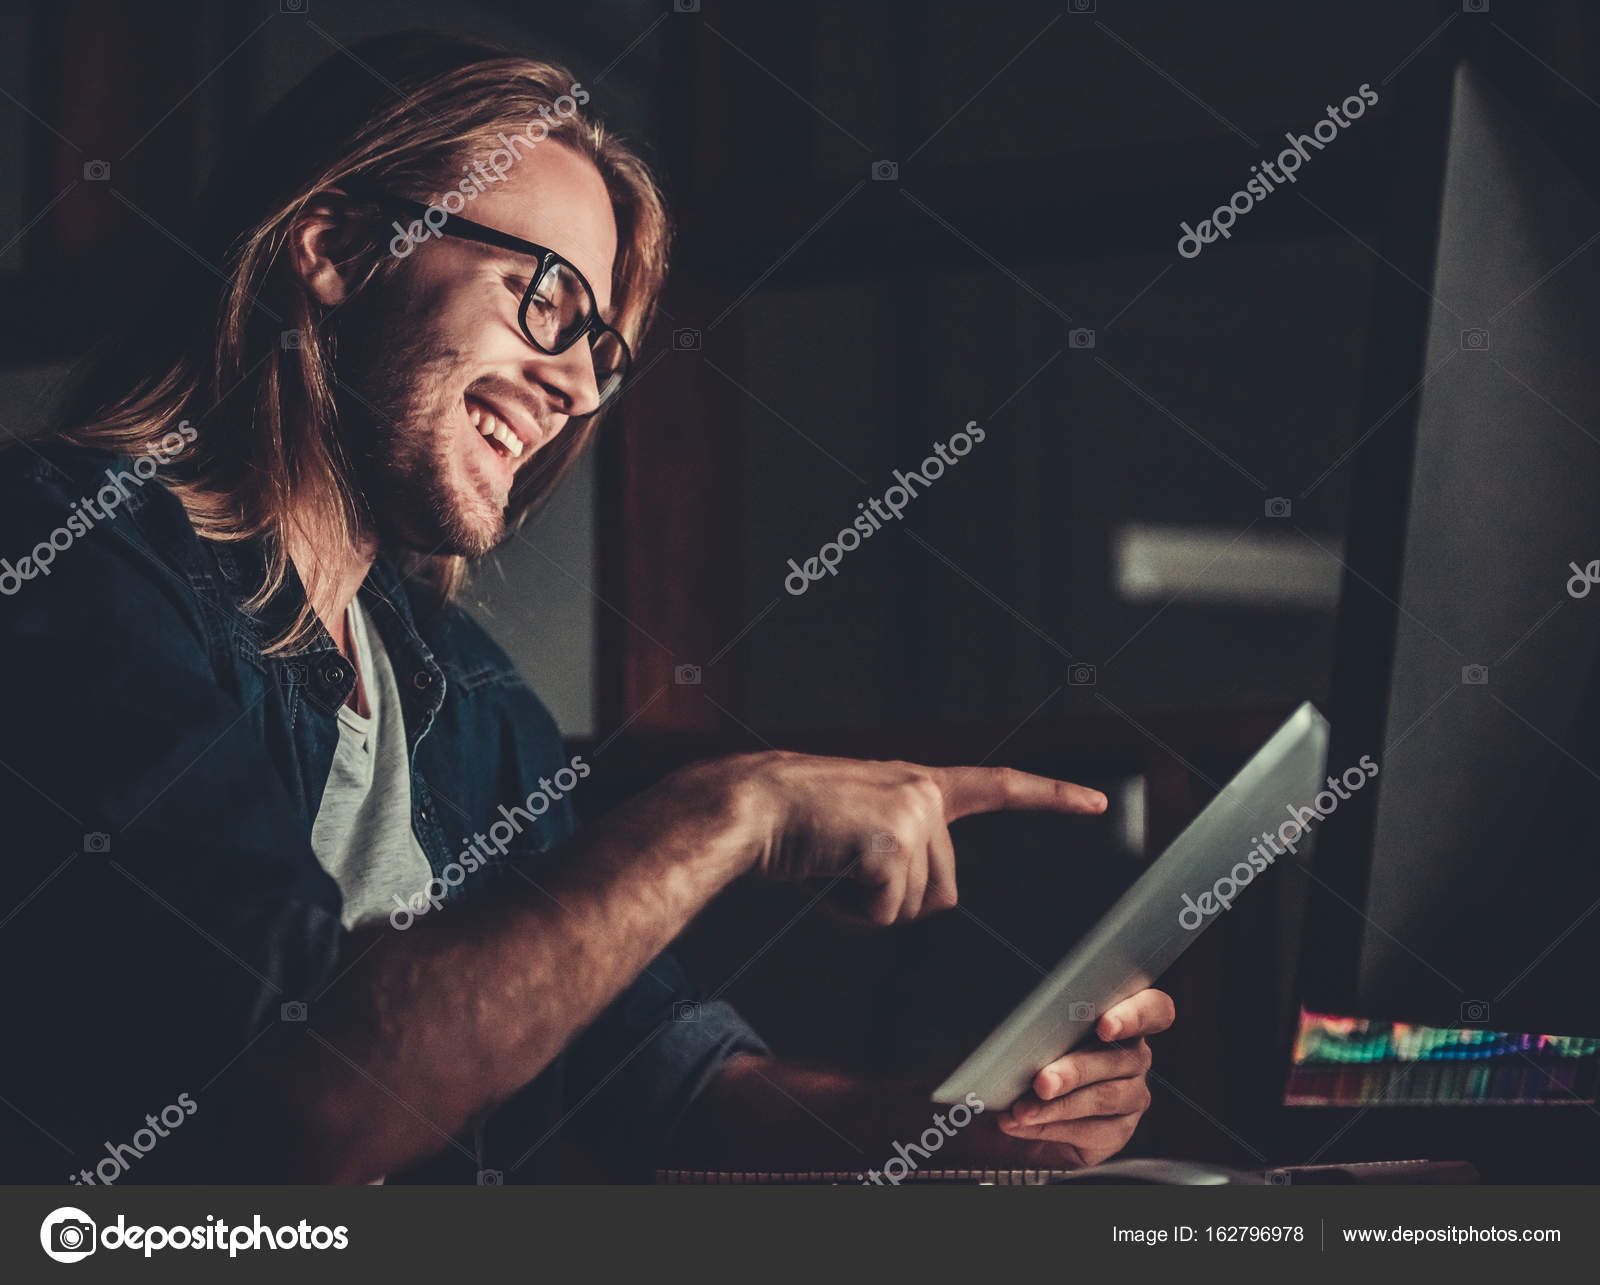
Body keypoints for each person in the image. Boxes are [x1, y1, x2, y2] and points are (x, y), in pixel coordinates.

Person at [0, 33, 1172, 1184]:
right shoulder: (69, 559)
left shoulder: (463, 693)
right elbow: (296, 1097)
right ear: (340, 246)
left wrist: (947, 1123)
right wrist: (727, 812)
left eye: (603, 352)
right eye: (549, 302)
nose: (574, 388)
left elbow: (661, 1079)